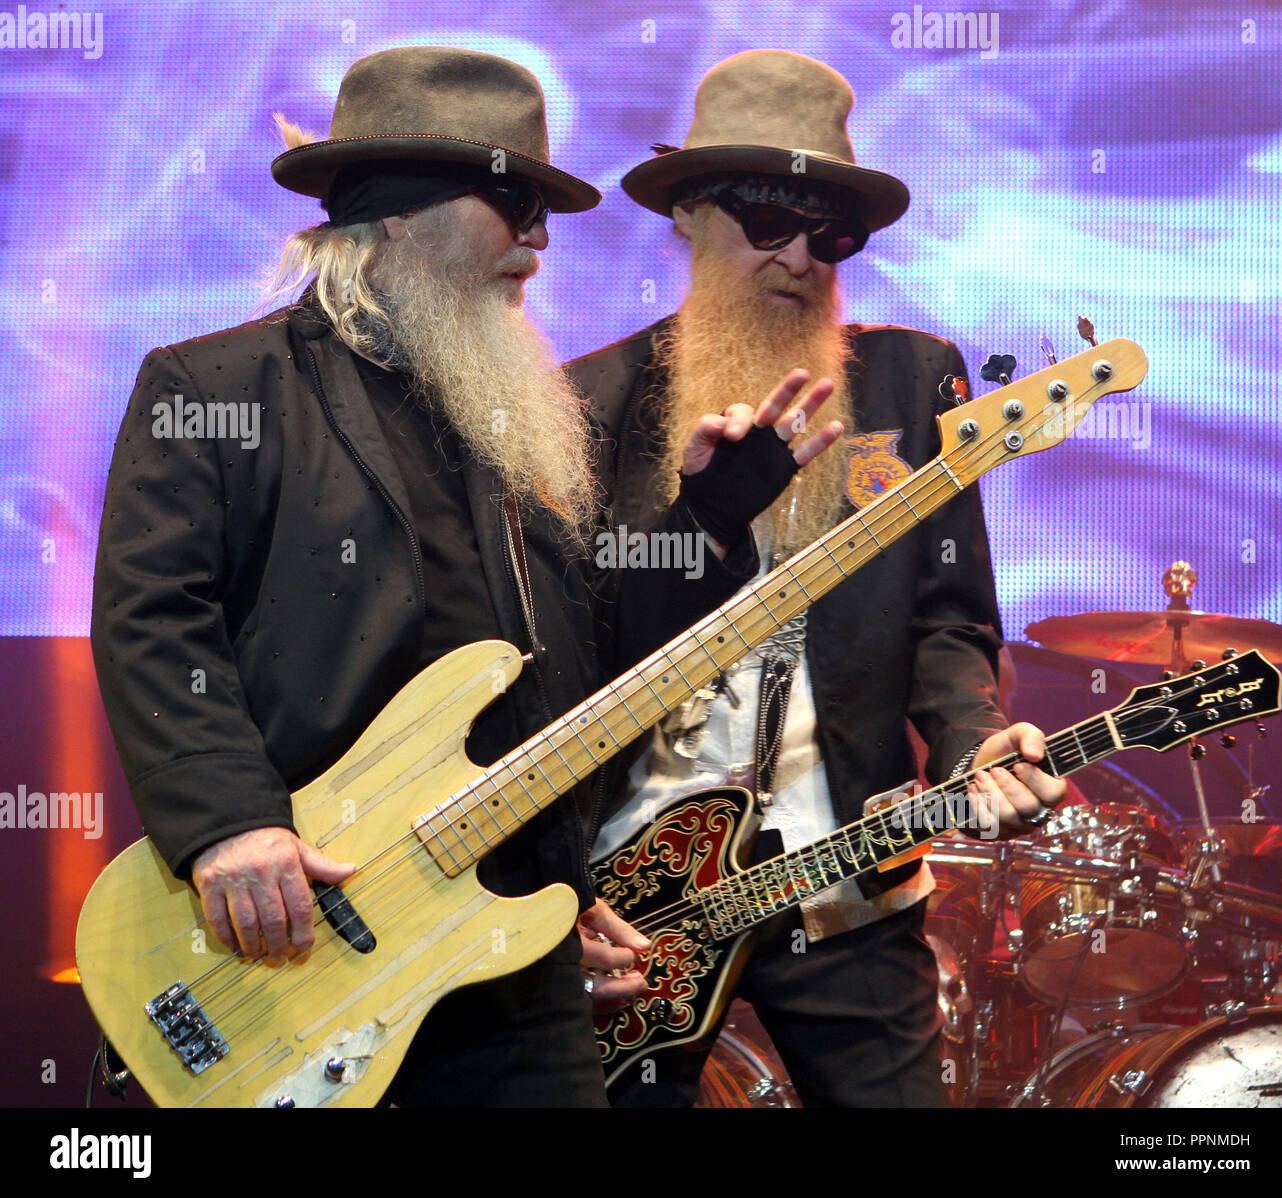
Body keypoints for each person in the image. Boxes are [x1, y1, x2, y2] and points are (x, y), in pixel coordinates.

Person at [88, 45, 840, 1107]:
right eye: (512, 203)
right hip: (294, 936)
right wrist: (226, 823)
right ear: (400, 213)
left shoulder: (517, 423)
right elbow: (153, 619)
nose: (538, 241)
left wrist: (712, 516)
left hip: (503, 954)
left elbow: (594, 660)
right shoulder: (218, 385)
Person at [566, 49, 1067, 1107]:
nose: (798, 255)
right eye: (764, 220)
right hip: (633, 892)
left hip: (845, 877)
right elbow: (578, 644)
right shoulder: (590, 403)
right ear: (690, 214)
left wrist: (973, 740)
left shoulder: (910, 380)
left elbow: (947, 616)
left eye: (829, 234)